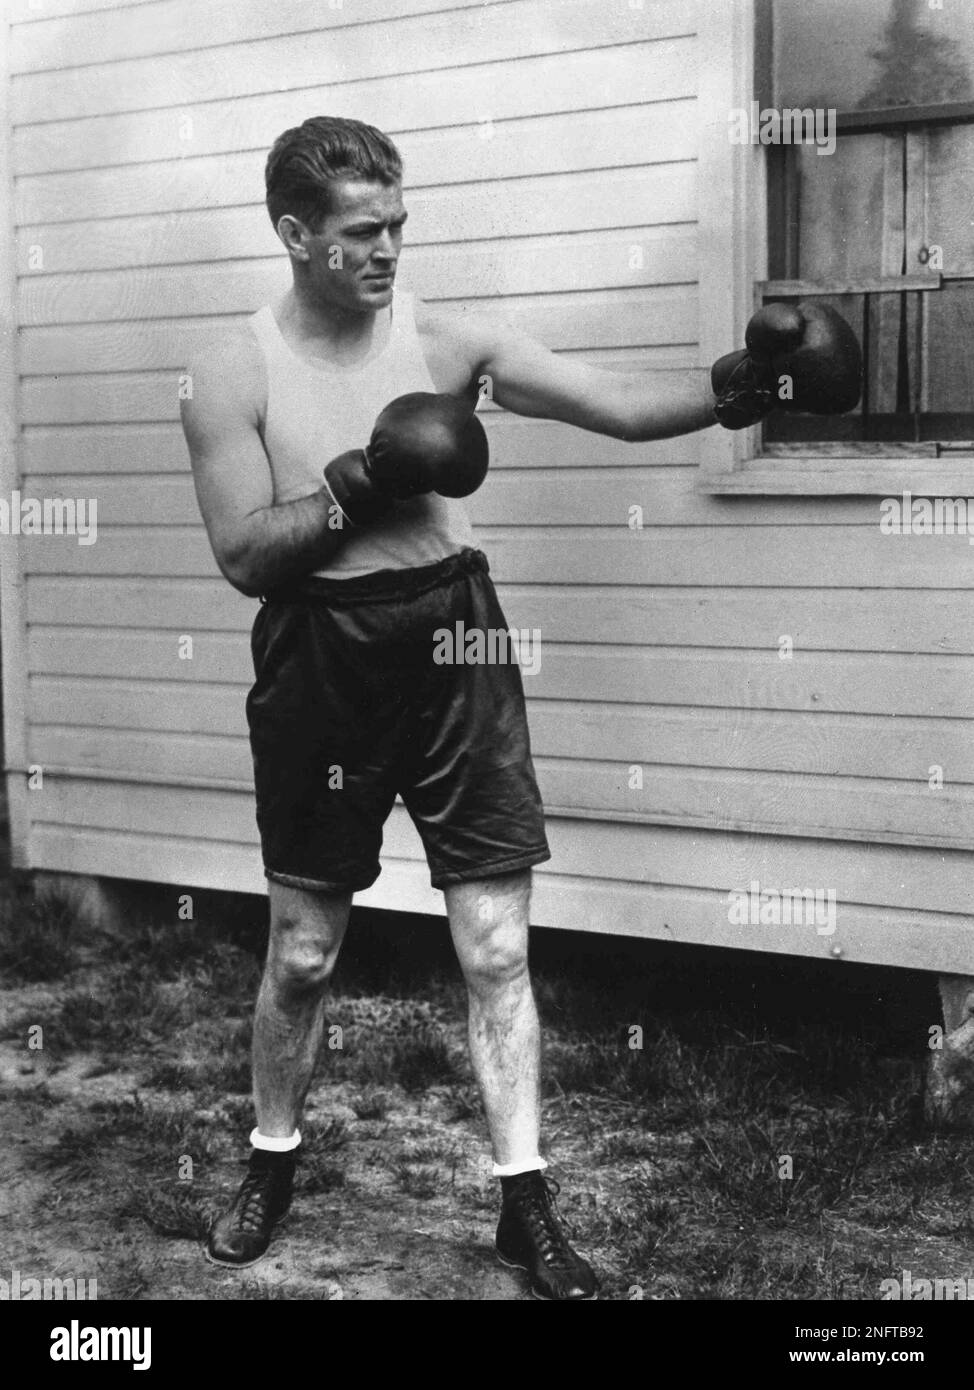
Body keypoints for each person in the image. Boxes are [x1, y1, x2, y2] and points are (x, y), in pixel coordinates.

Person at [180, 116, 860, 1301]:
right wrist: (361, 487)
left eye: (398, 222)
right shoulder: (230, 371)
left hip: (456, 638)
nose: (388, 248)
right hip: (319, 657)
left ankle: (523, 1203)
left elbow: (609, 400)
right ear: (294, 234)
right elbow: (244, 554)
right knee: (302, 949)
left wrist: (745, 387)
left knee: (494, 942)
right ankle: (272, 1162)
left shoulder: (449, 339)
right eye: (359, 232)